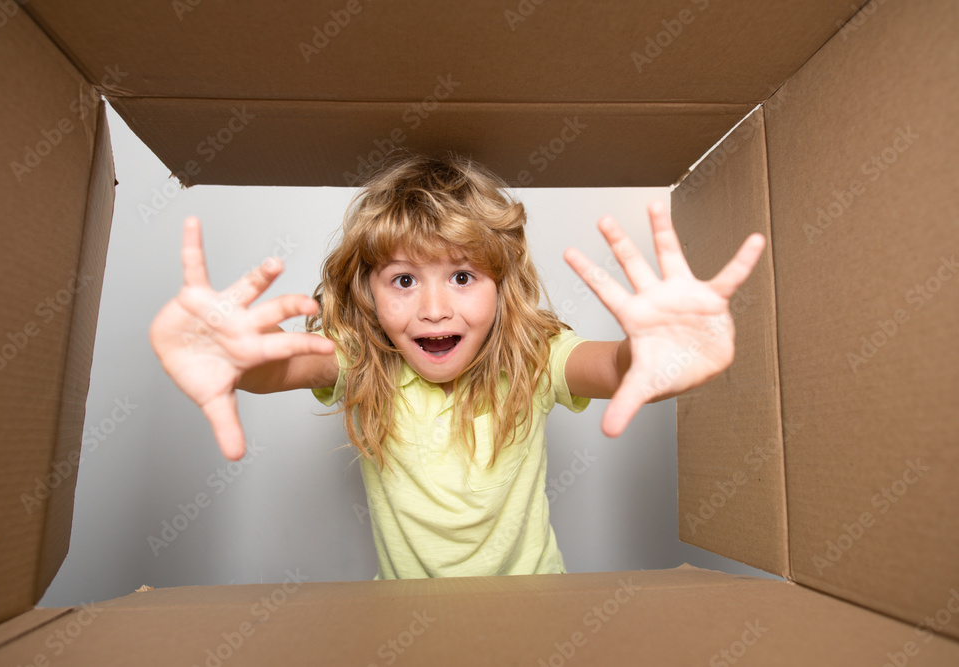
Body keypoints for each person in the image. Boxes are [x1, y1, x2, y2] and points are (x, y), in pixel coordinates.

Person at [149, 152, 765, 579]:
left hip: (535, 623)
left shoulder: (534, 356)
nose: (434, 308)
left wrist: (659, 353)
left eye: (463, 276)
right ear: (367, 291)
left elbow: (611, 367)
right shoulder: (364, 362)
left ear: (502, 286)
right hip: (408, 630)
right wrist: (232, 362)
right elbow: (283, 366)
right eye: (405, 279)